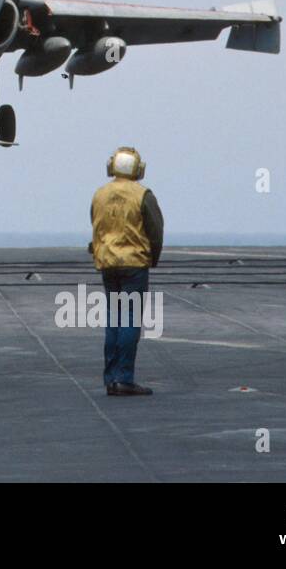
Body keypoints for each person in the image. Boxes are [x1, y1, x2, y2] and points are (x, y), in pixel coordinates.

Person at [89, 147, 163, 397]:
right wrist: (152, 258)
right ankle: (124, 378)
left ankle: (111, 379)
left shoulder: (100, 194)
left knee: (113, 319)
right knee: (130, 319)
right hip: (134, 266)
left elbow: (96, 226)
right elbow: (155, 230)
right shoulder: (143, 195)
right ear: (137, 169)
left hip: (108, 264)